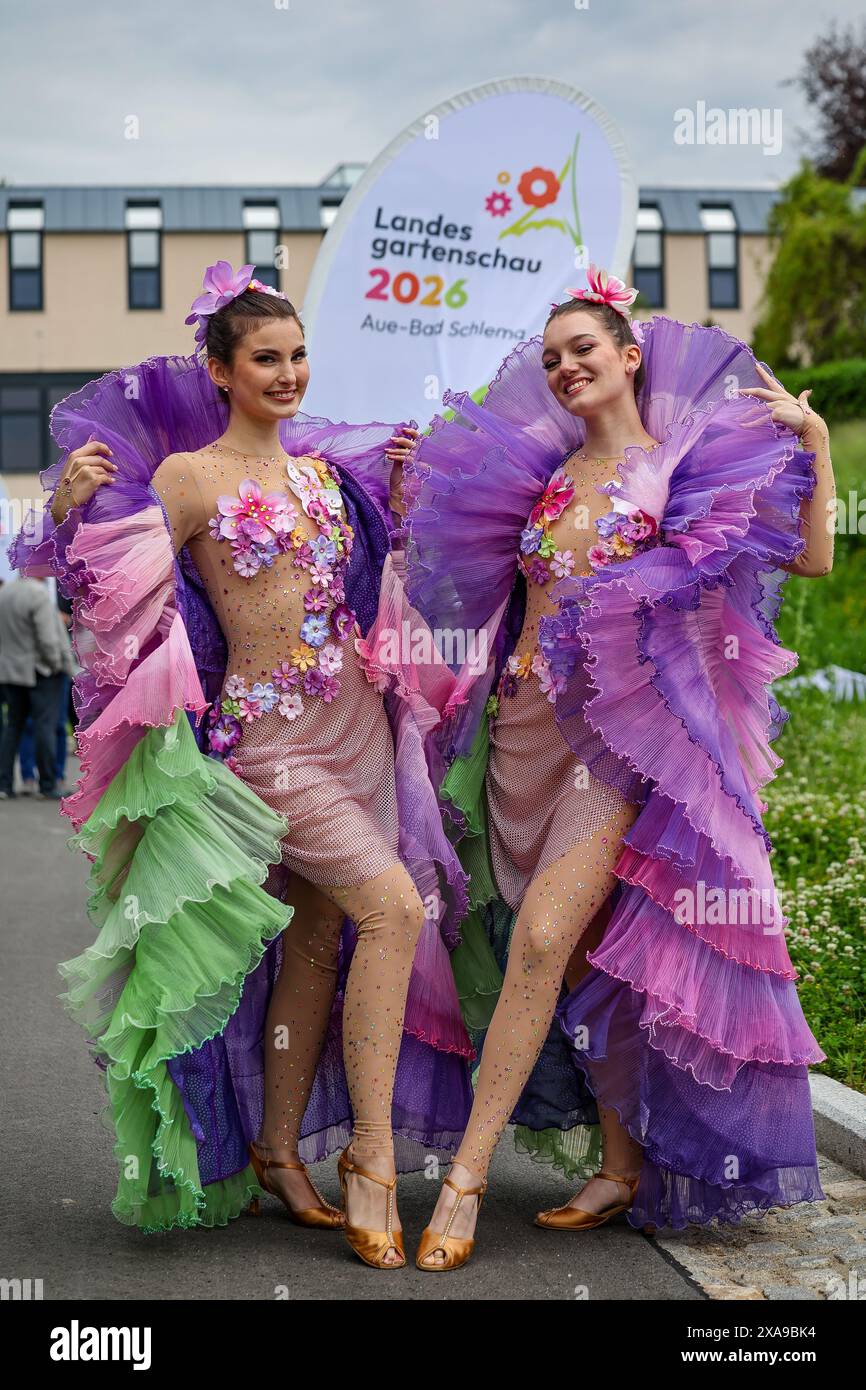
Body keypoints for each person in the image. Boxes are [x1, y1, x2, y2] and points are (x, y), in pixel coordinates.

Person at [13, 261, 475, 1268]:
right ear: (219, 369)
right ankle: (368, 1154)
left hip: (355, 729)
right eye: (266, 357)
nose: (289, 372)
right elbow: (108, 595)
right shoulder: (188, 477)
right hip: (270, 743)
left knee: (317, 936)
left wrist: (397, 501)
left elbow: (382, 585)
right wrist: (65, 517)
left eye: (299, 354)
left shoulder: (322, 476)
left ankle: (275, 1147)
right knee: (392, 910)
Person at [381, 265, 835, 1269]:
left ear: (628, 357)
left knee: (543, 936)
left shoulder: (681, 470)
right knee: (583, 953)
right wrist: (414, 495)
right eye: (548, 358)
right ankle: (621, 1163)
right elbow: (461, 590)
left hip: (613, 747)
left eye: (581, 348)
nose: (563, 367)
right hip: (518, 743)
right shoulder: (540, 477)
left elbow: (808, 562)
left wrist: (817, 446)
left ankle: (464, 1178)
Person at [0, 572, 73, 799]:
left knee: (13, 727)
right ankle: (48, 785)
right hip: (41, 672)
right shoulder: (38, 595)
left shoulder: (5, 593)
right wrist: (56, 665)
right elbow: (48, 639)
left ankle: (5, 784)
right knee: (45, 727)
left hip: (12, 672)